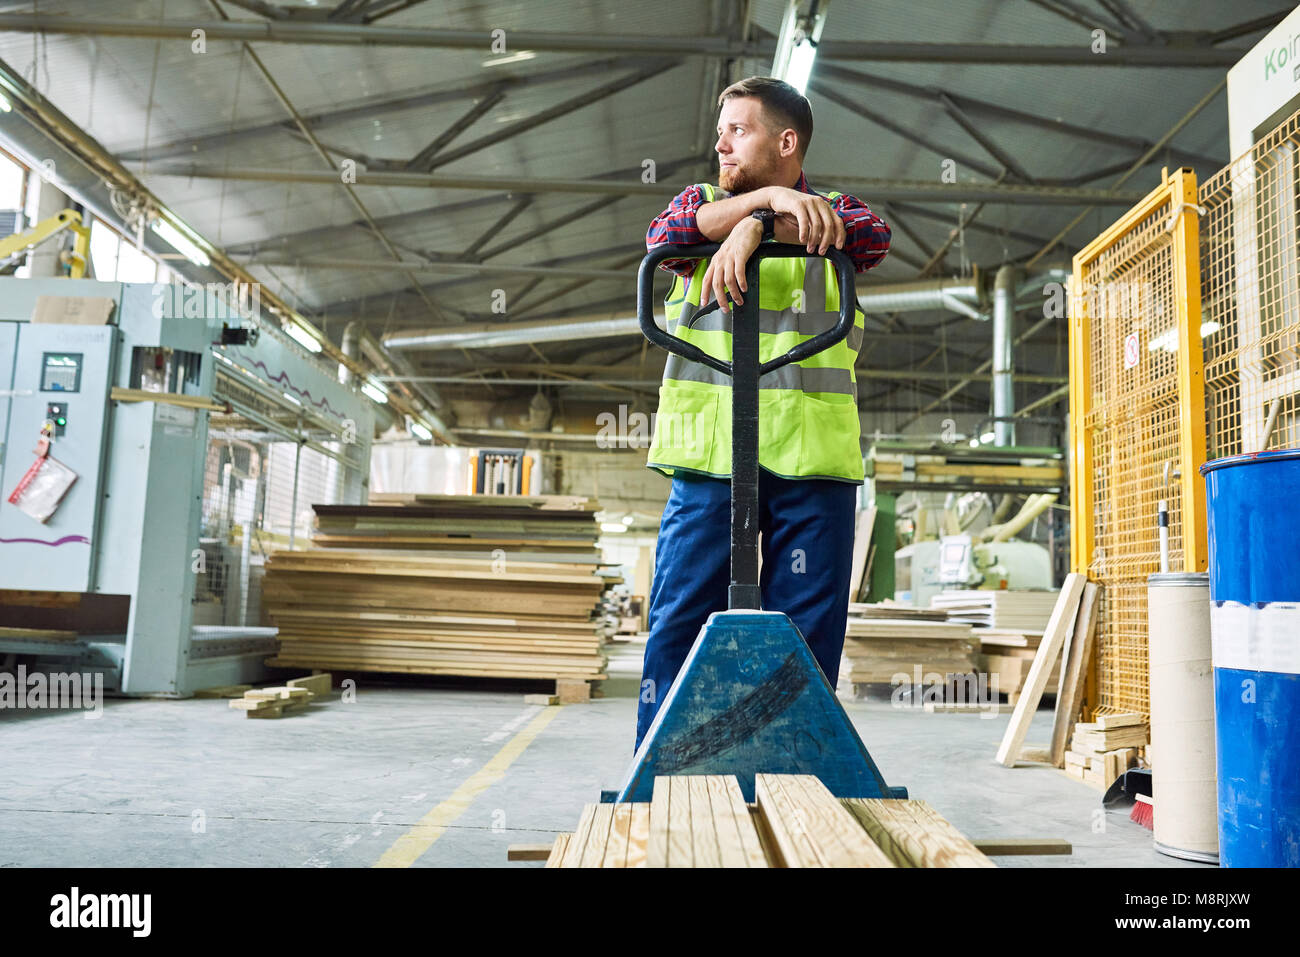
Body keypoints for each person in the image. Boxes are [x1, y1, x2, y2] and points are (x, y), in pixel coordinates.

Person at [635, 76, 890, 751]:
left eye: (737, 130)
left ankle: (786, 781)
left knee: (803, 633)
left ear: (787, 141)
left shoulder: (836, 213)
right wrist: (766, 201)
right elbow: (665, 234)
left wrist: (754, 224)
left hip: (812, 459)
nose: (720, 142)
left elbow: (871, 234)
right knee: (680, 621)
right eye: (721, 131)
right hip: (710, 456)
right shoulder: (694, 213)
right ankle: (661, 774)